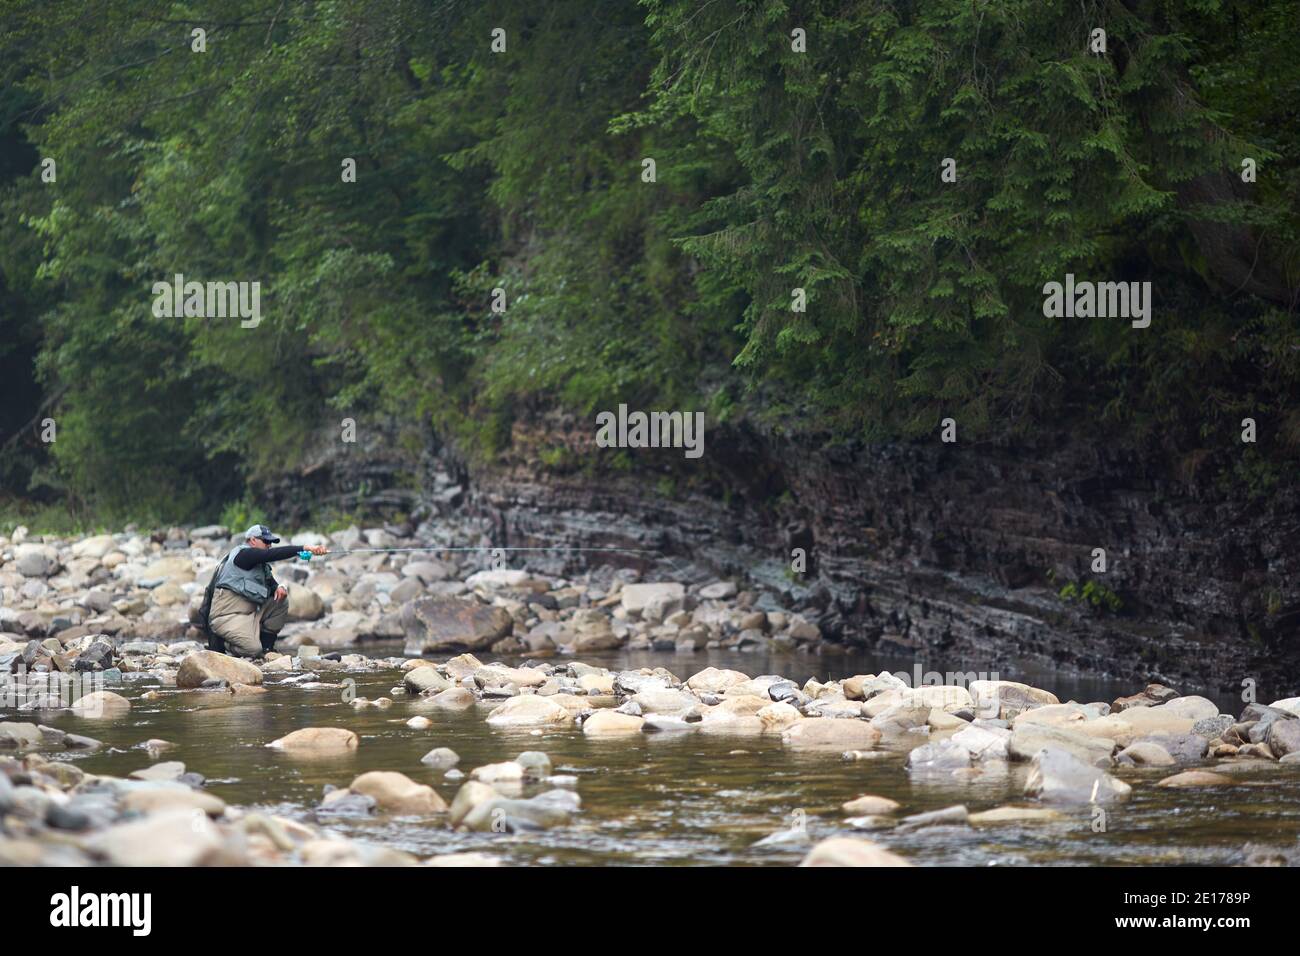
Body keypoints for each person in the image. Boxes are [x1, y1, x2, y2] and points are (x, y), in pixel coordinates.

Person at [206, 524, 327, 658]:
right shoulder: (243, 554)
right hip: (227, 617)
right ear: (252, 540)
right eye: (266, 541)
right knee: (253, 651)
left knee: (280, 601)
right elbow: (271, 554)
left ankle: (267, 648)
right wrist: (304, 548)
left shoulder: (261, 566)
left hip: (249, 614)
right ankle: (224, 644)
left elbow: (271, 583)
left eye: (271, 542)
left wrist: (279, 588)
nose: (269, 545)